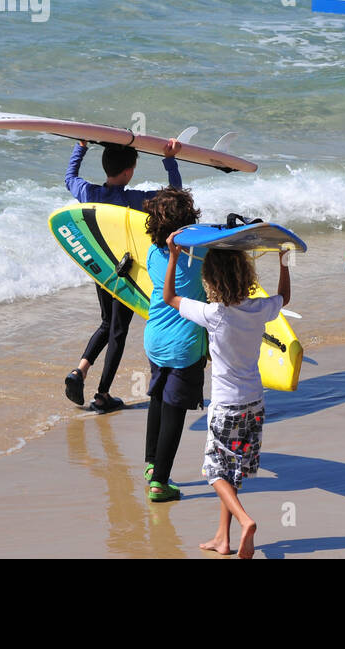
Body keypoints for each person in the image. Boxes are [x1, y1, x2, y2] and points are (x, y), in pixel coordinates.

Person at [162, 235, 292, 557]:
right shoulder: (258, 308)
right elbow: (284, 298)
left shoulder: (213, 314)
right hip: (255, 405)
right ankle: (223, 538)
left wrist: (174, 256)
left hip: (225, 407)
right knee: (232, 470)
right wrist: (283, 262)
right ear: (244, 274)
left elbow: (169, 298)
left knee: (213, 469)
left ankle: (245, 520)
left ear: (211, 278)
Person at [63, 138, 182, 413]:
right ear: (129, 172)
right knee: (118, 330)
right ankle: (102, 395)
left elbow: (69, 177)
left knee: (107, 323)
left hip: (102, 267)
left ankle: (79, 371)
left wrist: (80, 147)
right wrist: (169, 159)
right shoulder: (134, 199)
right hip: (128, 271)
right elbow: (176, 196)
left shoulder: (87, 192)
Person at [141, 187, 206, 503]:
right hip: (184, 345)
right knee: (174, 410)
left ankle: (151, 463)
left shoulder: (154, 255)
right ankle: (160, 483)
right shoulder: (199, 257)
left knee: (157, 395)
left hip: (154, 338)